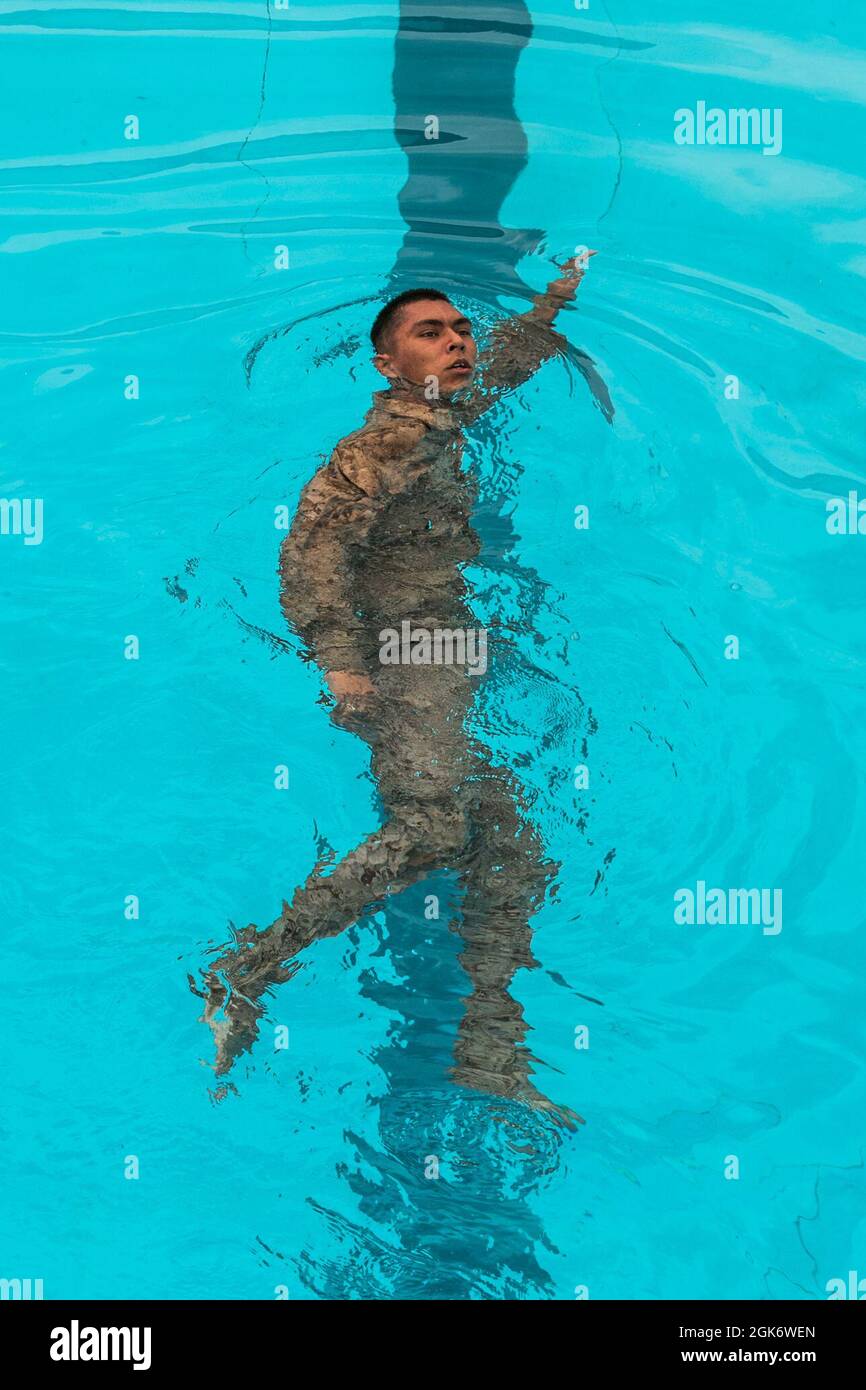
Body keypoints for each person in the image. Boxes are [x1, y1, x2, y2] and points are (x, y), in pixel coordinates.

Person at [198, 254, 598, 1128]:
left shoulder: (439, 416)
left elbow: (500, 368)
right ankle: (249, 969)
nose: (457, 344)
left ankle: (487, 1046)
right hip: (405, 652)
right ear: (388, 365)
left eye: (460, 330)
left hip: (444, 646)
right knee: (431, 829)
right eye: (432, 334)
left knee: (509, 846)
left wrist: (555, 300)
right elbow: (309, 557)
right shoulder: (383, 445)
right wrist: (343, 663)